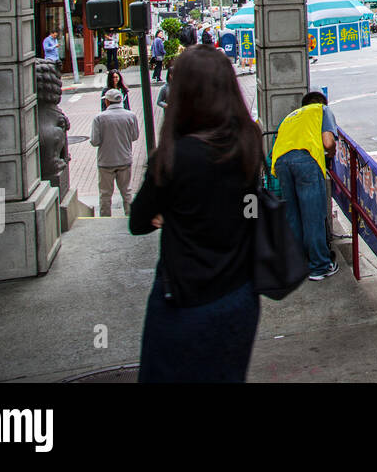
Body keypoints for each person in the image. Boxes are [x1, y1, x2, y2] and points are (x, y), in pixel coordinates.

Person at [130, 46, 264, 383]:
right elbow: (251, 208)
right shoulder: (248, 142)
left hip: (183, 300)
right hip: (239, 296)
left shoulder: (173, 156)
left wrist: (168, 212)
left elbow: (138, 221)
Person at [271, 91, 340, 281]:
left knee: (293, 215)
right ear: (322, 103)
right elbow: (328, 142)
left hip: (281, 163)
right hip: (306, 162)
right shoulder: (323, 110)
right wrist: (331, 153)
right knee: (313, 215)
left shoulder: (290, 118)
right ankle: (319, 266)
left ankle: (297, 264)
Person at [91, 87, 140, 216]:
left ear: (107, 102)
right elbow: (134, 136)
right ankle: (130, 216)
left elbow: (95, 141)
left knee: (105, 194)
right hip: (124, 159)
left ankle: (105, 219)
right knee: (127, 191)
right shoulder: (131, 116)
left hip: (106, 161)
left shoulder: (99, 118)